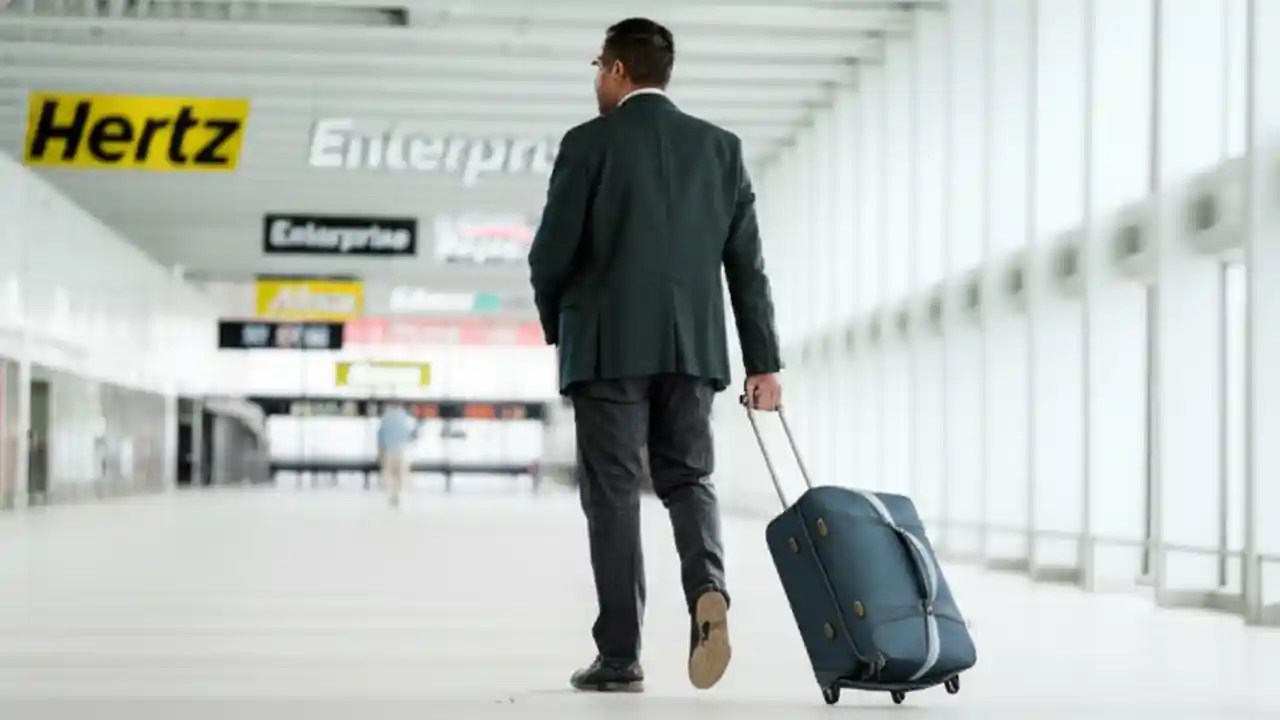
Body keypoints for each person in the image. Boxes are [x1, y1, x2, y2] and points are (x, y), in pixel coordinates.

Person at [528, 17, 784, 694]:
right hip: (692, 347)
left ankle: (619, 656)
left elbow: (550, 253)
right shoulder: (721, 149)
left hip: (607, 346)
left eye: (597, 69)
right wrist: (763, 364)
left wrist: (560, 324)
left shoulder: (589, 143)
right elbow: (747, 269)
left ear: (615, 71)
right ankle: (707, 586)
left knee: (612, 494)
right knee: (688, 479)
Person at [376, 403, 419, 508]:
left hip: (388, 450)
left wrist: (380, 452)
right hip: (402, 450)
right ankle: (399, 494)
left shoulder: (386, 418)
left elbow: (380, 436)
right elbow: (412, 436)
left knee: (389, 473)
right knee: (401, 474)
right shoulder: (405, 418)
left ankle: (392, 495)